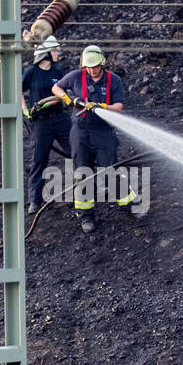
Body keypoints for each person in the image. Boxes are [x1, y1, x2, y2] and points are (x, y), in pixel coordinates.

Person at [52, 45, 138, 233]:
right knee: (82, 172)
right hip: (80, 131)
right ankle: (86, 216)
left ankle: (127, 201)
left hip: (103, 131)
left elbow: (118, 107)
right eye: (88, 67)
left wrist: (100, 106)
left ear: (102, 63)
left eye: (95, 66)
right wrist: (68, 99)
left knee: (110, 169)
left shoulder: (113, 80)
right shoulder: (76, 76)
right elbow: (56, 87)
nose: (92, 70)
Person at [21, 35, 71, 215]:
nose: (58, 53)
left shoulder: (57, 72)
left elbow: (63, 93)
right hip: (40, 122)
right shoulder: (31, 72)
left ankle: (90, 188)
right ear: (45, 54)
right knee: (39, 160)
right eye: (55, 50)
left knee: (78, 150)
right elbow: (17, 90)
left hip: (60, 118)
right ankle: (34, 201)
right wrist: (25, 109)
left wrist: (56, 100)